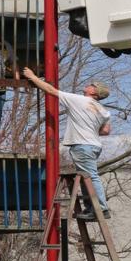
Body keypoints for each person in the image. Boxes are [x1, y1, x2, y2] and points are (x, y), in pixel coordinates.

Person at [20, 67, 113, 220]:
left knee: (91, 176)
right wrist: (89, 128)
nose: (89, 85)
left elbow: (51, 90)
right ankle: (92, 208)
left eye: (92, 85)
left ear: (94, 93)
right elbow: (106, 131)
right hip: (94, 145)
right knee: (86, 176)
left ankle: (101, 209)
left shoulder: (80, 100)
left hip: (82, 145)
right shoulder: (102, 110)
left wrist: (33, 77)